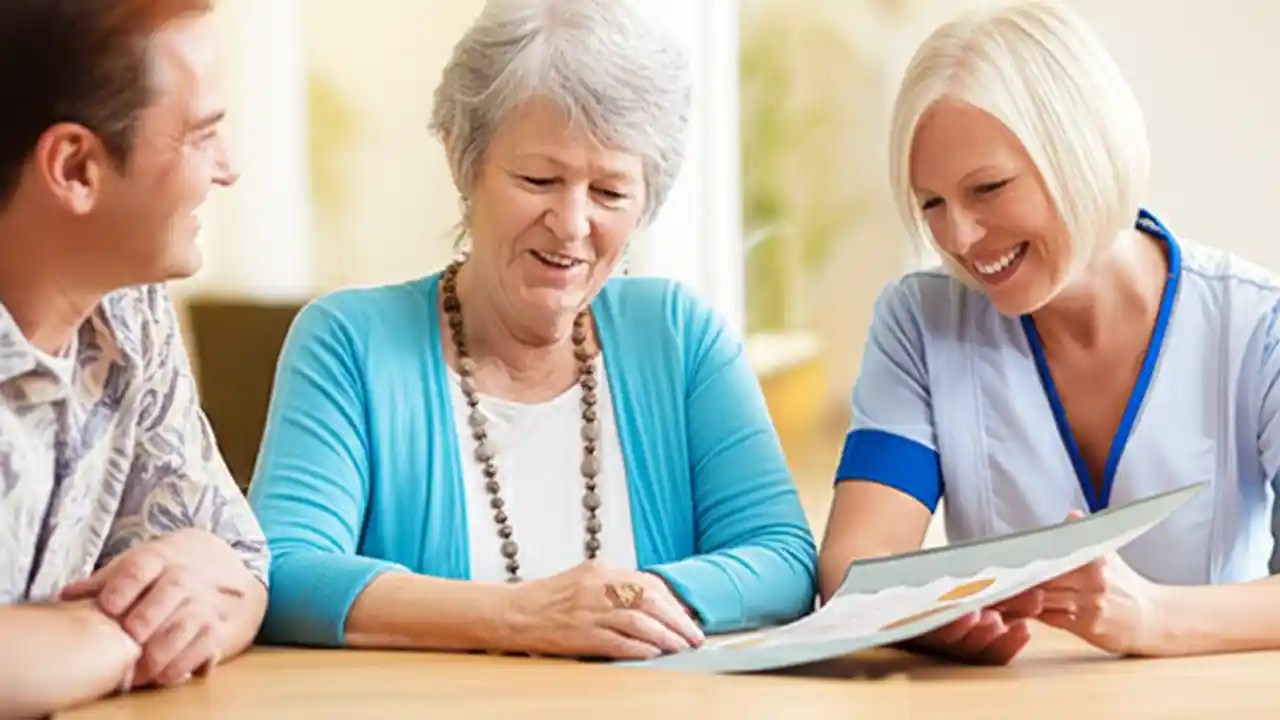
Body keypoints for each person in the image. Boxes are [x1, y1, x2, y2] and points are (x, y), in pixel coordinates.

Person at [247, 0, 816, 660]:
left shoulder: (679, 336)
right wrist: (521, 617)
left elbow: (783, 558)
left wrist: (623, 607)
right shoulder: (349, 342)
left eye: (609, 193)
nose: (571, 224)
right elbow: (285, 569)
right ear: (463, 160)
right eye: (540, 179)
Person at [819, 0, 1280, 665]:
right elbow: (857, 565)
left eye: (988, 188)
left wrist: (1152, 618)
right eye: (932, 203)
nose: (958, 237)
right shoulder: (919, 324)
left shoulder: (1259, 328)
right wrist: (928, 621)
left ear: (1080, 153)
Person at [0, 1, 268, 715]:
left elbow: (238, 563)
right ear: (75, 167)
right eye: (201, 136)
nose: (228, 169)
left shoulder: (129, 310)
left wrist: (191, 588)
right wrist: (117, 637)